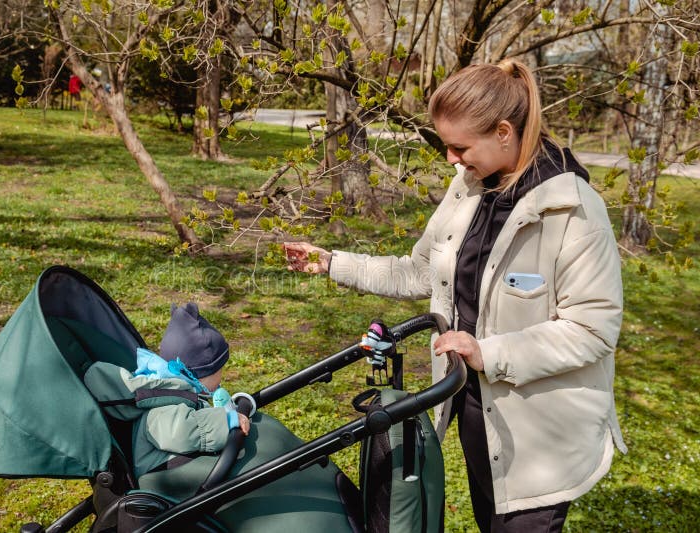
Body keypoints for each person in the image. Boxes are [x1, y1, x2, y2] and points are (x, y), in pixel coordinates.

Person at [284, 59, 626, 532]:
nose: (450, 159)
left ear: (504, 131)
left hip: (540, 436)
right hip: (474, 412)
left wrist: (486, 351)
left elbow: (592, 329)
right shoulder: (468, 187)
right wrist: (331, 262)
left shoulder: (573, 210)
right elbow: (419, 273)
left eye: (459, 146)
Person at [85, 302, 250, 479]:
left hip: (177, 465)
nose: (221, 380)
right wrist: (225, 421)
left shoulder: (177, 390)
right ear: (197, 373)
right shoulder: (162, 400)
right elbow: (180, 432)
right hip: (160, 477)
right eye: (218, 372)